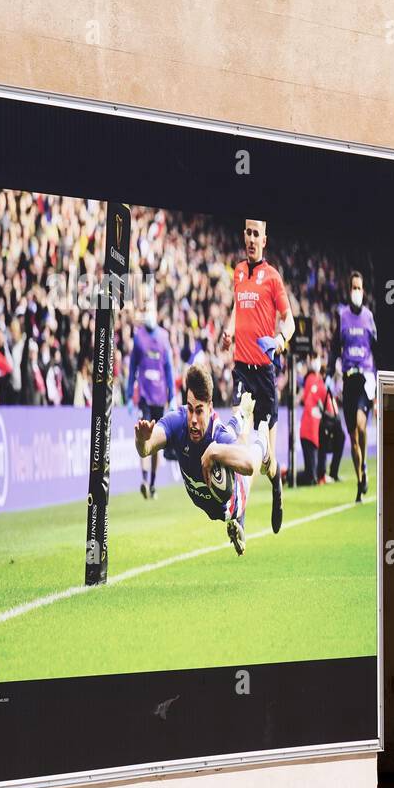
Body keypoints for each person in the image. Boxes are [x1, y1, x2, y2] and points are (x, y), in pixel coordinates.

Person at [134, 364, 270, 556]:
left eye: (199, 410)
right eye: (190, 409)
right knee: (231, 431)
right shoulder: (178, 421)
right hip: (209, 493)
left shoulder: (218, 435)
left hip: (231, 501)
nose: (193, 419)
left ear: (210, 408)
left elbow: (248, 465)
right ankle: (241, 415)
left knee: (242, 451)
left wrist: (214, 451)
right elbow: (146, 449)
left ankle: (263, 441)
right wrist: (142, 440)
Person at [220, 218, 291, 533]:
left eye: (256, 234)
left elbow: (288, 320)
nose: (251, 239)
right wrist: (229, 328)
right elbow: (237, 307)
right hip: (241, 372)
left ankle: (276, 486)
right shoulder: (237, 272)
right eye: (247, 233)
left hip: (264, 375)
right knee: (241, 441)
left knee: (265, 462)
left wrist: (279, 340)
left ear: (265, 239)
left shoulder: (273, 278)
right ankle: (241, 515)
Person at [332, 271, 378, 503]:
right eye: (354, 288)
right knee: (353, 440)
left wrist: (378, 384)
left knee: (361, 424)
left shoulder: (369, 318)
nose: (356, 292)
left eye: (360, 288)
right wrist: (331, 375)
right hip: (348, 379)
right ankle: (361, 478)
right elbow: (333, 348)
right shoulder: (342, 317)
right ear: (349, 290)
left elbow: (377, 350)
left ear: (364, 291)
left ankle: (365, 467)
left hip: (365, 378)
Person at [128, 301, 175, 499]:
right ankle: (145, 480)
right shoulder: (138, 338)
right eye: (146, 311)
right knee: (143, 436)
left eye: (151, 311)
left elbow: (169, 369)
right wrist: (130, 395)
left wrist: (172, 396)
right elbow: (132, 368)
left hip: (160, 398)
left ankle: (153, 483)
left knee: (155, 443)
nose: (149, 314)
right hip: (145, 397)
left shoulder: (164, 337)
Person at [296, 356, 326, 486]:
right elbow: (305, 400)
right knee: (311, 477)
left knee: (312, 474)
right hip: (308, 432)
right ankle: (288, 475)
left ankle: (320, 475)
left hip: (314, 432)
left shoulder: (319, 381)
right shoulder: (310, 380)